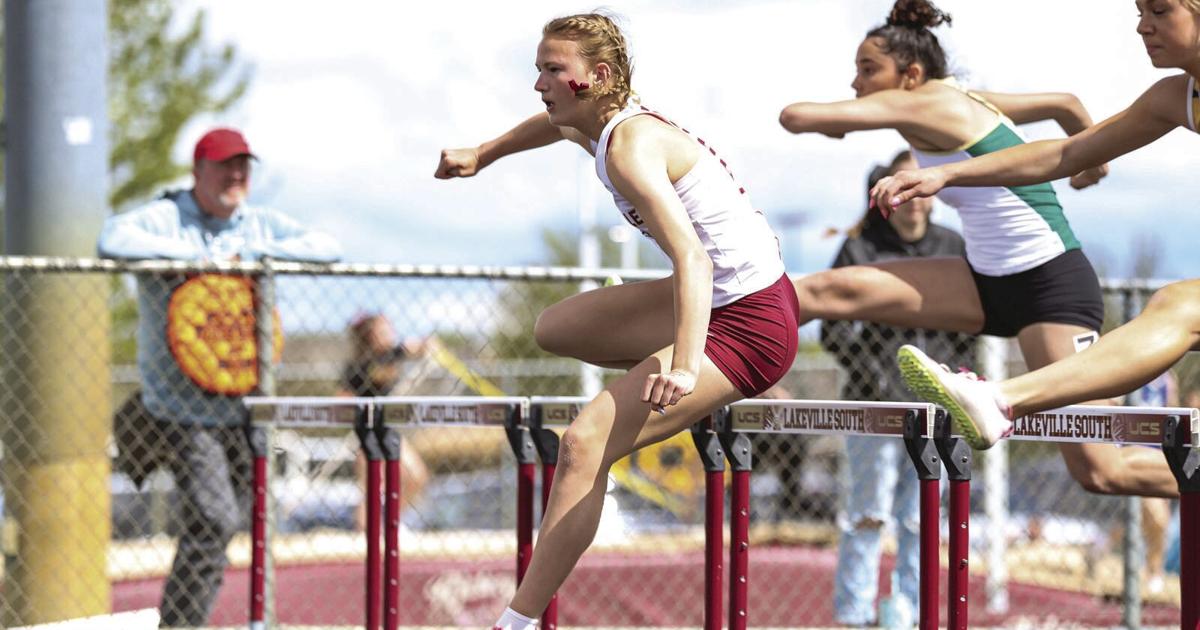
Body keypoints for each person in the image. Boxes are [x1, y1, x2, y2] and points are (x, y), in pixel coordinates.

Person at [435, 13, 799, 629]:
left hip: (749, 322)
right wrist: (484, 153)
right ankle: (666, 365)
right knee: (556, 328)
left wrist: (684, 369)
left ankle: (516, 622)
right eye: (538, 69)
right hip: (711, 299)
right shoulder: (598, 122)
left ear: (596, 76)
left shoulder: (630, 146)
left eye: (553, 70)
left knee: (582, 445)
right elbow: (551, 128)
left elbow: (693, 257)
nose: (539, 84)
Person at [777, 0, 1177, 498]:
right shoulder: (963, 98)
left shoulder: (925, 102)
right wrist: (1089, 165)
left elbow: (794, 116)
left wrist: (844, 117)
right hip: (983, 282)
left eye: (867, 70)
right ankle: (721, 354)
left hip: (1049, 287)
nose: (856, 85)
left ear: (911, 75)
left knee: (1101, 470)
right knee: (827, 290)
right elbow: (1065, 104)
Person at [98, 127, 341, 627]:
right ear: (197, 172)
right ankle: (180, 625)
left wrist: (254, 260)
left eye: (243, 168)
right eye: (225, 166)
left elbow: (326, 247)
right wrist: (195, 261)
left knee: (243, 521)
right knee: (213, 519)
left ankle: (238, 617)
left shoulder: (257, 224)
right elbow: (111, 239)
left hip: (247, 408)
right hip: (180, 410)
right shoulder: (167, 217)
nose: (236, 176)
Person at [824, 151, 974, 626]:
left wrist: (951, 371)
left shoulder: (952, 246)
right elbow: (832, 330)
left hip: (937, 409)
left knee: (922, 519)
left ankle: (911, 612)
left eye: (921, 190)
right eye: (903, 189)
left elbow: (973, 319)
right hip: (875, 405)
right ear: (888, 193)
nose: (914, 201)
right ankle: (854, 614)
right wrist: (872, 370)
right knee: (868, 512)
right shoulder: (860, 248)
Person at [336, 312, 430, 531]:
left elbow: (407, 349)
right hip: (366, 435)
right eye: (384, 330)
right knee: (371, 488)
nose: (390, 334)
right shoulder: (359, 365)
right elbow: (343, 394)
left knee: (416, 475)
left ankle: (389, 524)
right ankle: (364, 537)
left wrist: (423, 346)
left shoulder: (391, 356)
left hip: (388, 431)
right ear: (370, 335)